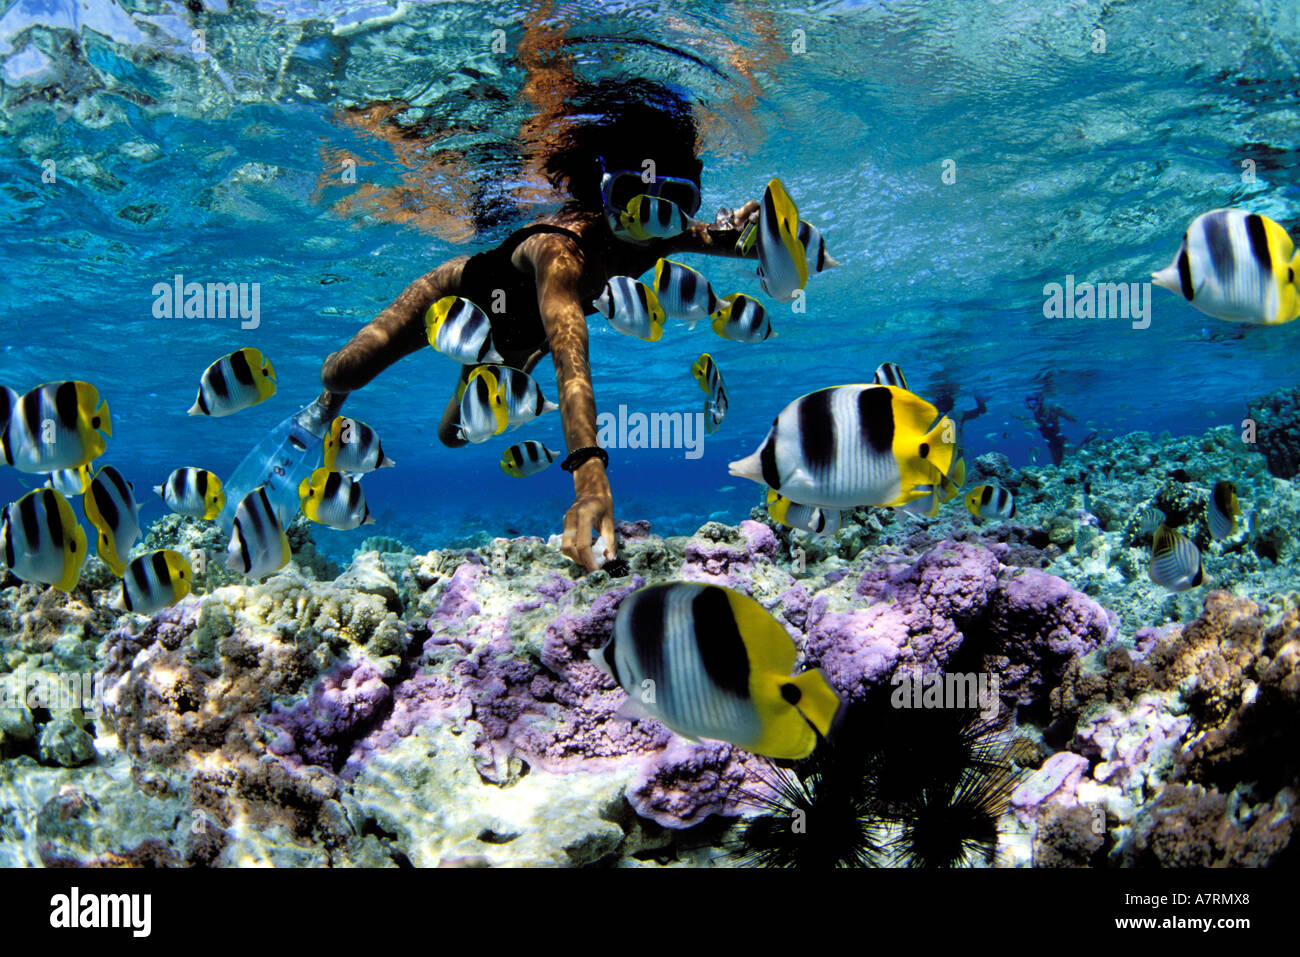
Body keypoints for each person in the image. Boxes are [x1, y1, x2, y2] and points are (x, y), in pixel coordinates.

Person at [316, 80, 760, 572]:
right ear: (603, 190)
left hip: (517, 341)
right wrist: (588, 470)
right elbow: (571, 351)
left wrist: (761, 236)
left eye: (671, 202)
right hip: (453, 301)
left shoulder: (662, 232)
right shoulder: (559, 248)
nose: (644, 224)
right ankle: (326, 406)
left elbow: (738, 242)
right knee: (342, 372)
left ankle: (503, 363)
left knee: (454, 436)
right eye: (629, 195)